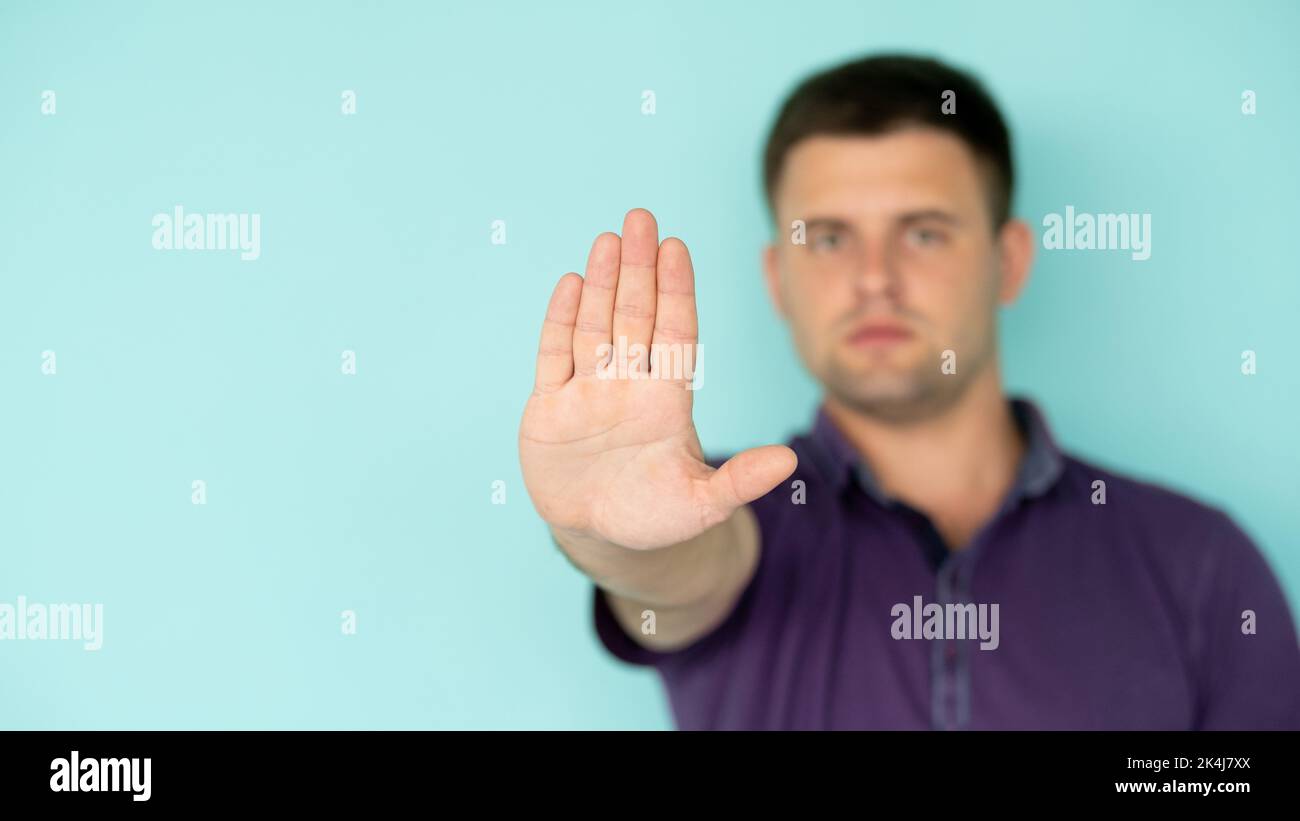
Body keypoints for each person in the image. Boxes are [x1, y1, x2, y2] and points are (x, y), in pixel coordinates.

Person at [517, 54, 1300, 729]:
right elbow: (683, 572)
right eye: (827, 238)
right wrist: (615, 539)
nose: (874, 280)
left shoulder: (1200, 560)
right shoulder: (729, 514)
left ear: (1011, 260)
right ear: (777, 280)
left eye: (923, 232)